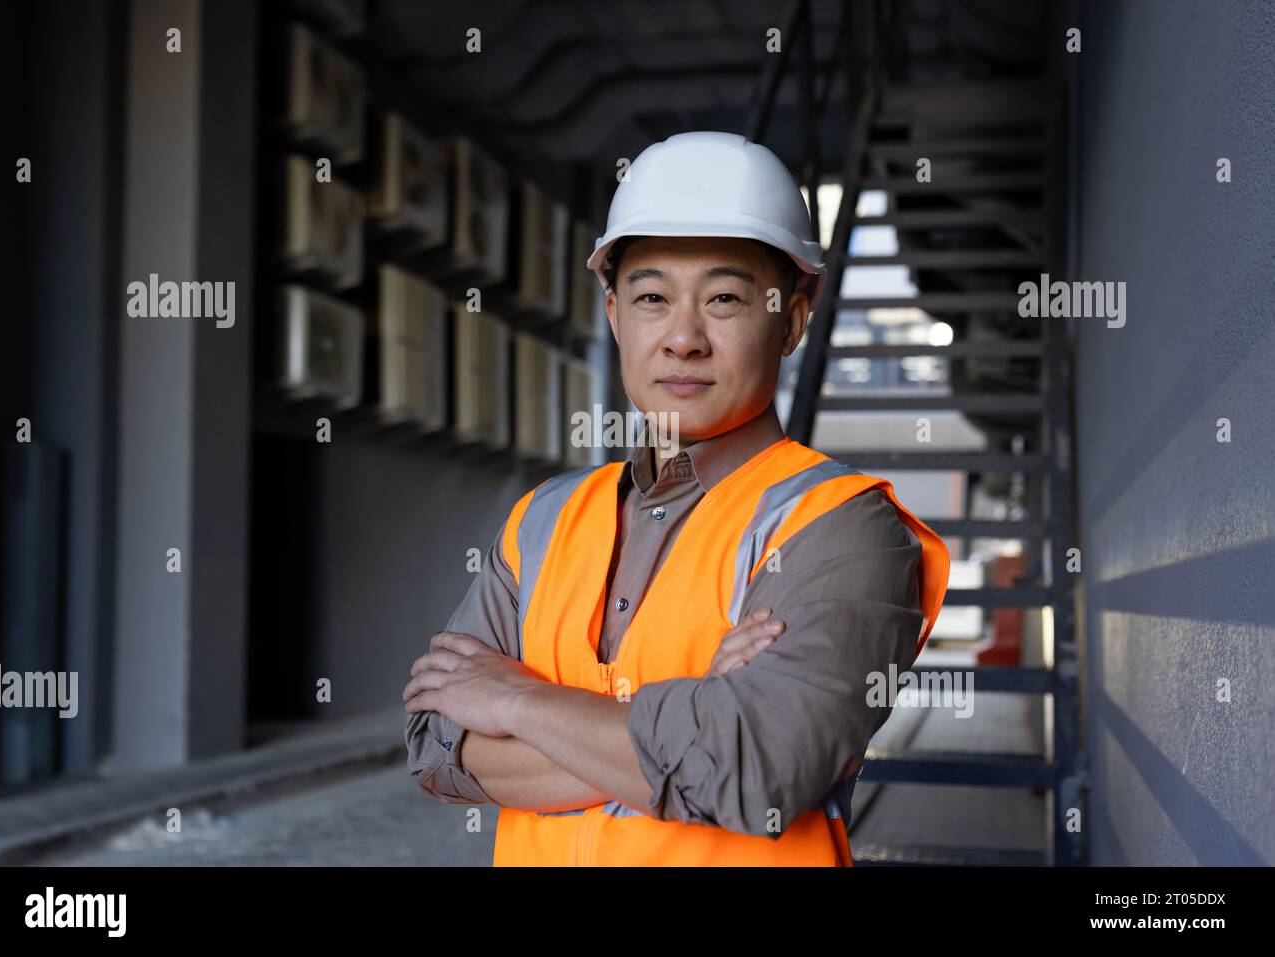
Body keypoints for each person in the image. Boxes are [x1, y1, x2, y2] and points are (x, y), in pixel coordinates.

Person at [403, 131, 950, 866]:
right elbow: (436, 747)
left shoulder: (844, 526)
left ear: (791, 317)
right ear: (614, 314)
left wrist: (514, 702)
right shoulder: (540, 522)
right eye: (653, 297)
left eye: (724, 298)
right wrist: (689, 714)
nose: (683, 338)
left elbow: (760, 770)